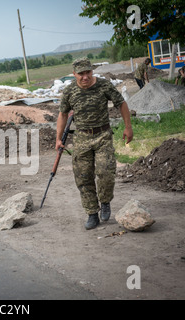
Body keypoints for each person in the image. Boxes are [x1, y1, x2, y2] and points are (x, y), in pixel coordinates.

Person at [56, 58, 133, 230]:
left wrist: (128, 127)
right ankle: (92, 212)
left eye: (88, 72)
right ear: (74, 74)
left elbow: (121, 103)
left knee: (106, 171)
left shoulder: (104, 86)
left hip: (103, 135)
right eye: (81, 74)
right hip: (82, 139)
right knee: (83, 177)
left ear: (92, 71)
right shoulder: (69, 91)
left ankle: (105, 201)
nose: (85, 77)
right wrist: (58, 139)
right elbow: (62, 114)